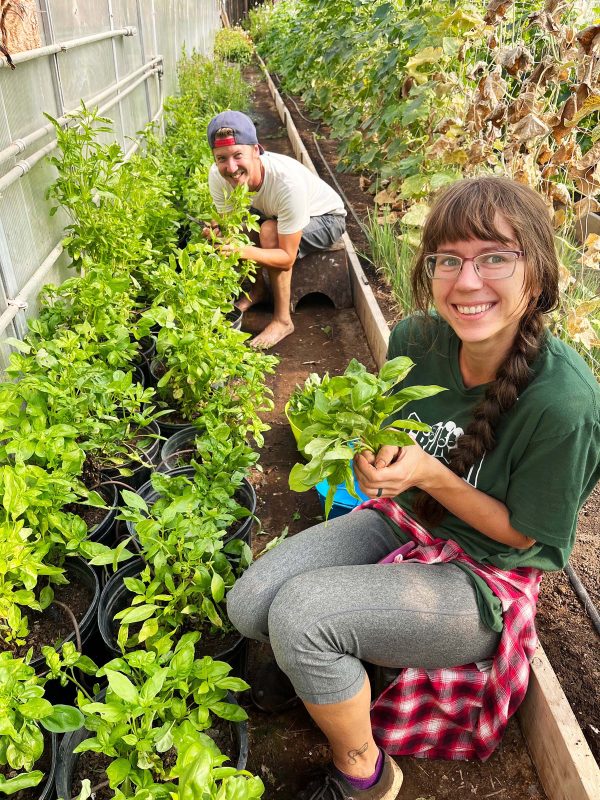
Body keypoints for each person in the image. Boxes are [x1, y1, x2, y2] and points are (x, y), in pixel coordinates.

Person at [226, 176, 600, 799]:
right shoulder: (415, 341)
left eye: (494, 258)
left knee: (301, 618)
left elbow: (522, 537)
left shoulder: (565, 403)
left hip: (485, 576)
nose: (467, 281)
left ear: (536, 273)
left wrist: (429, 473)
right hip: (409, 519)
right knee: (250, 604)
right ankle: (327, 668)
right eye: (447, 260)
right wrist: (375, 463)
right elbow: (395, 437)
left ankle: (365, 773)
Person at [205, 110, 347, 348]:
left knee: (269, 231)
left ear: (256, 150)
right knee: (243, 228)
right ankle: (258, 291)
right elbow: (232, 226)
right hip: (276, 213)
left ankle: (283, 320)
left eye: (238, 155)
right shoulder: (217, 177)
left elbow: (286, 257)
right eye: (221, 158)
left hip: (326, 218)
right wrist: (219, 233)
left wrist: (242, 251)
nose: (231, 167)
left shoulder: (286, 182)